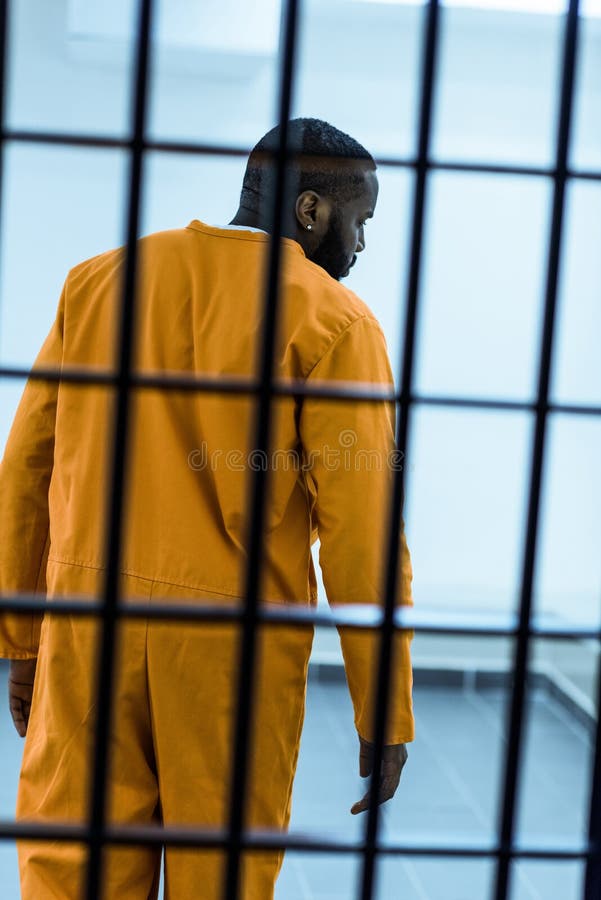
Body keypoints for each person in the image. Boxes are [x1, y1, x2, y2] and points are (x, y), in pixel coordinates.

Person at [0, 117, 415, 899]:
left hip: (89, 628)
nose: (360, 245)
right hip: (231, 652)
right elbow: (362, 533)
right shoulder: (332, 319)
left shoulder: (100, 282)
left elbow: (27, 469)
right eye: (360, 221)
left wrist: (22, 640)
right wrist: (383, 708)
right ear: (310, 211)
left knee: (72, 869)